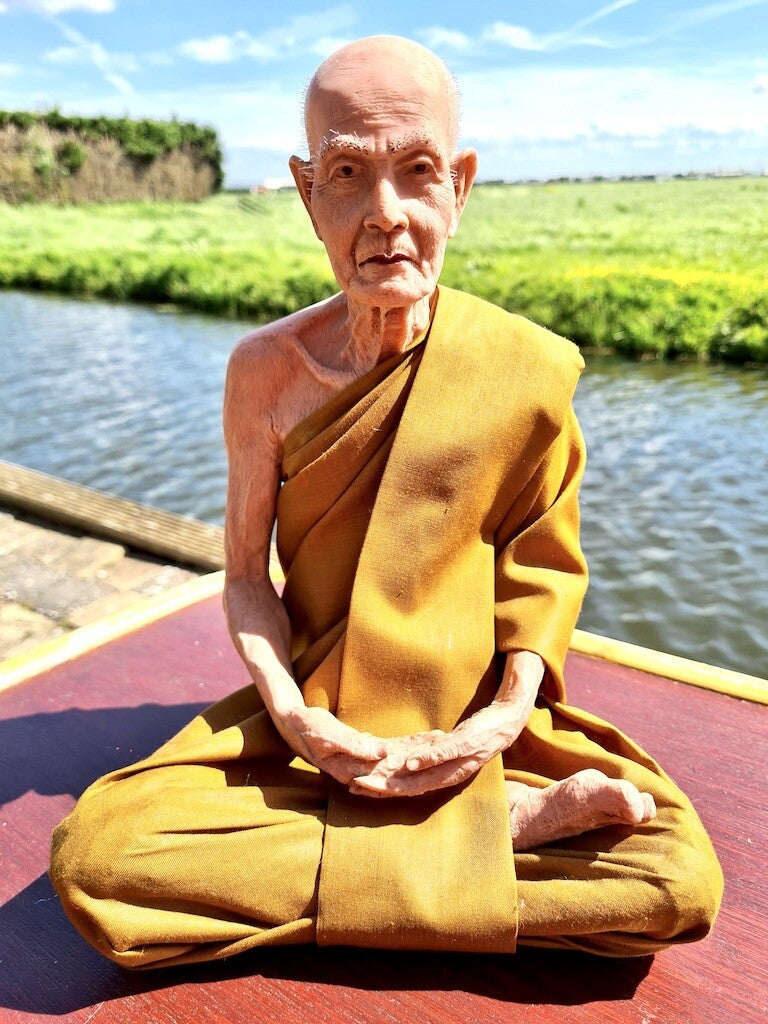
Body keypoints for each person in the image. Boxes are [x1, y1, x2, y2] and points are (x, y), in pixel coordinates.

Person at [50, 35, 723, 967]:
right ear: (304, 192)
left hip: (483, 722)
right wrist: (294, 718)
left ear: (462, 185)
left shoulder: (521, 371)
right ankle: (505, 842)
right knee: (102, 859)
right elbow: (246, 579)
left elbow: (540, 584)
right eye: (347, 173)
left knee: (678, 881)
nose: (386, 215)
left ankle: (424, 843)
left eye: (417, 172)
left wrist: (497, 724)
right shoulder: (265, 373)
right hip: (315, 718)